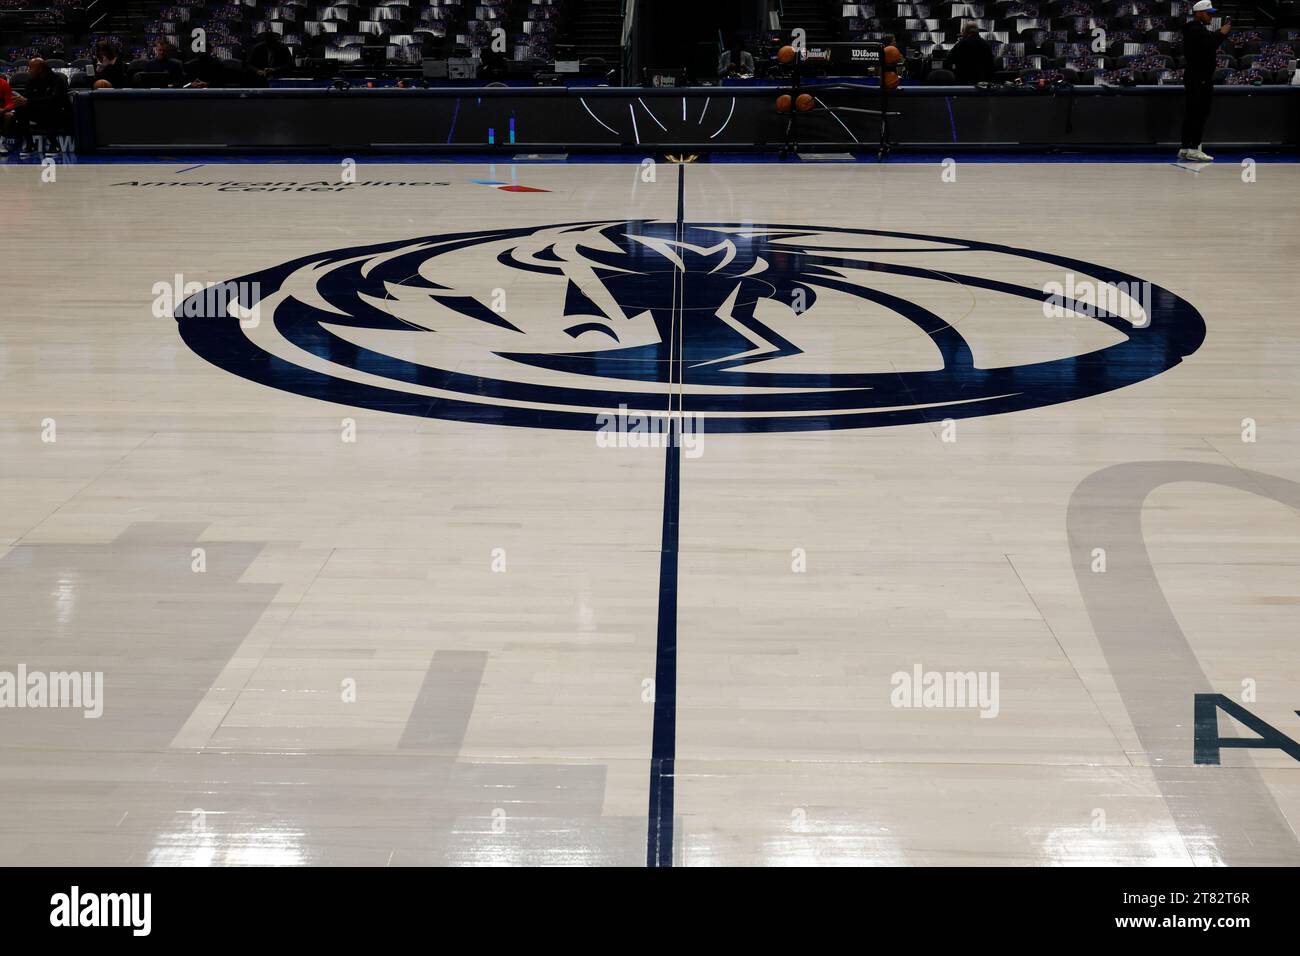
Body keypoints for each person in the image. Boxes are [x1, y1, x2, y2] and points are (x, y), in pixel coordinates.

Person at [1179, 0, 1231, 162]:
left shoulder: (1195, 29)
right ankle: (1194, 148)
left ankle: (1186, 148)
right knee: (1199, 113)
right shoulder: (1195, 29)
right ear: (1199, 13)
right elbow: (1209, 45)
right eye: (1208, 13)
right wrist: (1222, 33)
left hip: (1195, 76)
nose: (1211, 17)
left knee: (1191, 113)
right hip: (1200, 77)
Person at [11, 58, 71, 155]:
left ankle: (55, 145)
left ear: (40, 69)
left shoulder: (57, 80)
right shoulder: (31, 81)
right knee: (20, 109)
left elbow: (54, 100)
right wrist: (20, 100)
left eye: (31, 68)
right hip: (40, 111)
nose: (28, 70)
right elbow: (27, 99)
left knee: (48, 110)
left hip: (59, 113)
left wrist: (28, 101)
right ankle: (30, 144)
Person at [0, 73, 15, 153]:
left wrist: (4, 109)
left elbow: (11, 103)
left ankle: (2, 141)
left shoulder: (3, 84)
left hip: (2, 111)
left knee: (9, 115)